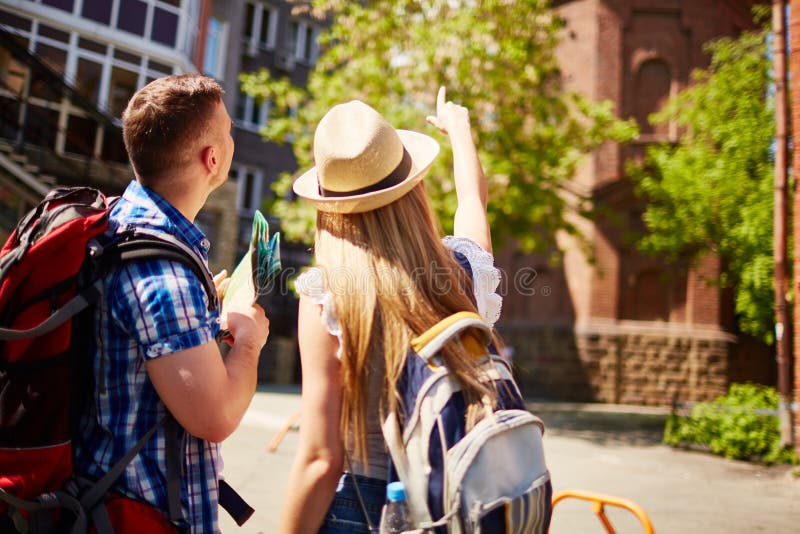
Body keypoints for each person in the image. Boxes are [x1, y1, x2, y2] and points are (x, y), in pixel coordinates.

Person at [279, 87, 503, 533]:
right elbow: (473, 203)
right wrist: (459, 129)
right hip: (449, 503)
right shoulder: (464, 271)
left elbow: (321, 460)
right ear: (414, 188)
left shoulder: (326, 292)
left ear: (331, 208)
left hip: (360, 510)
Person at [74, 74, 270, 533]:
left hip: (100, 494)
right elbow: (215, 417)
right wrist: (248, 341)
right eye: (228, 131)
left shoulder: (118, 221)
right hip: (143, 515)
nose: (232, 140)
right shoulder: (165, 275)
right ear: (212, 158)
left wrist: (204, 315)